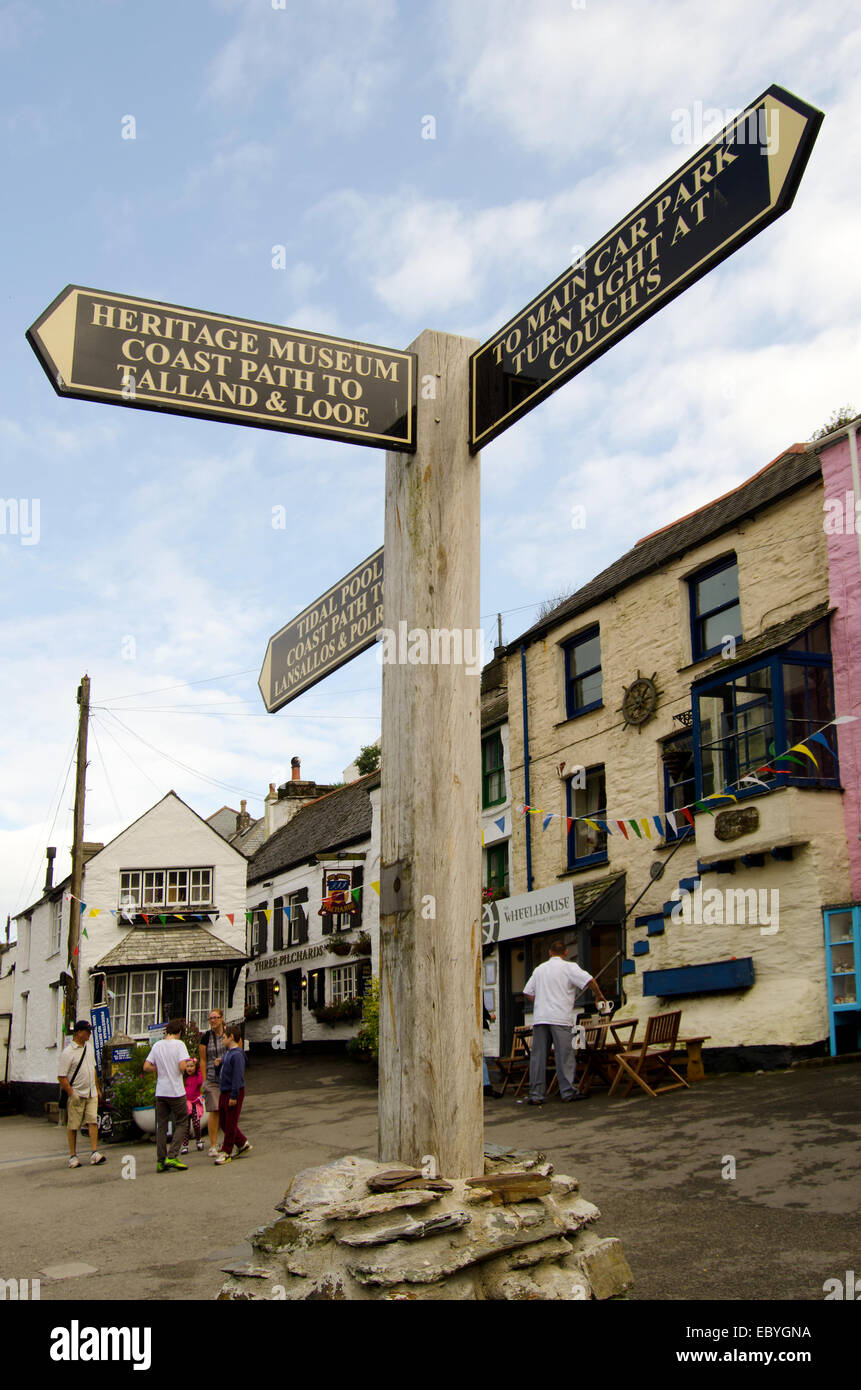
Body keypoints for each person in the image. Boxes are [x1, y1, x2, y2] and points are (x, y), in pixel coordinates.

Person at [522, 940, 607, 1105]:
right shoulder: (569, 967)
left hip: (540, 1018)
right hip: (560, 1018)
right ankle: (567, 1092)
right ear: (566, 953)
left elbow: (527, 992)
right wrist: (599, 995)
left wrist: (540, 1002)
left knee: (538, 1057)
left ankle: (536, 1094)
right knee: (564, 1056)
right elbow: (590, 981)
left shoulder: (539, 969)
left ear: (549, 953)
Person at [144, 1019, 192, 1172]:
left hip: (161, 1091)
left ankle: (160, 1160)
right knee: (182, 1121)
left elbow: (146, 1066)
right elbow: (182, 1066)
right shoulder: (180, 1045)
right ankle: (172, 1155)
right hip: (176, 1090)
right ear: (179, 1032)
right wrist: (187, 1066)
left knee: (162, 1126)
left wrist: (159, 1068)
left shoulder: (157, 1045)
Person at [58, 1019, 106, 1168]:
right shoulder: (68, 1052)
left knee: (93, 1121)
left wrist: (97, 1088)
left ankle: (94, 1152)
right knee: (73, 1125)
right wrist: (71, 1093)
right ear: (79, 1032)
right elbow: (61, 1076)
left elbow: (92, 1068)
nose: (90, 1033)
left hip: (91, 1091)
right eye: (87, 1031)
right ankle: (73, 1156)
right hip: (77, 1093)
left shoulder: (89, 1048)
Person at [214, 1024, 251, 1165]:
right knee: (223, 1121)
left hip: (233, 1091)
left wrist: (234, 1096)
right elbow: (222, 1073)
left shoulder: (237, 1055)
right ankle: (242, 1143)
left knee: (230, 1123)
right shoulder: (228, 1054)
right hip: (224, 1090)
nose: (222, 1039)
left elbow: (237, 1077)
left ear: (231, 1037)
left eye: (224, 1037)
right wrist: (218, 1066)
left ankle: (226, 1151)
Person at [199, 1008, 228, 1157]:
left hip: (227, 1077)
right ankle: (213, 1144)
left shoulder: (230, 1035)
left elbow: (238, 1053)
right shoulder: (205, 1037)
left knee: (227, 1110)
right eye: (210, 1018)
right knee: (214, 1110)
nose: (213, 1021)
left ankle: (229, 1142)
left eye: (216, 1017)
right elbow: (203, 1060)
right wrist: (204, 1080)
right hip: (212, 1078)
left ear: (222, 1018)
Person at [181, 1056, 205, 1155]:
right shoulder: (183, 1078)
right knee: (186, 1125)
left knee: (196, 1123)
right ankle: (185, 1145)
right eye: (187, 1066)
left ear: (196, 1067)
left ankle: (198, 1140)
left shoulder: (197, 1077)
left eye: (192, 1066)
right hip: (186, 1103)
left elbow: (200, 1082)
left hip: (195, 1102)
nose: (189, 1068)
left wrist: (199, 1070)